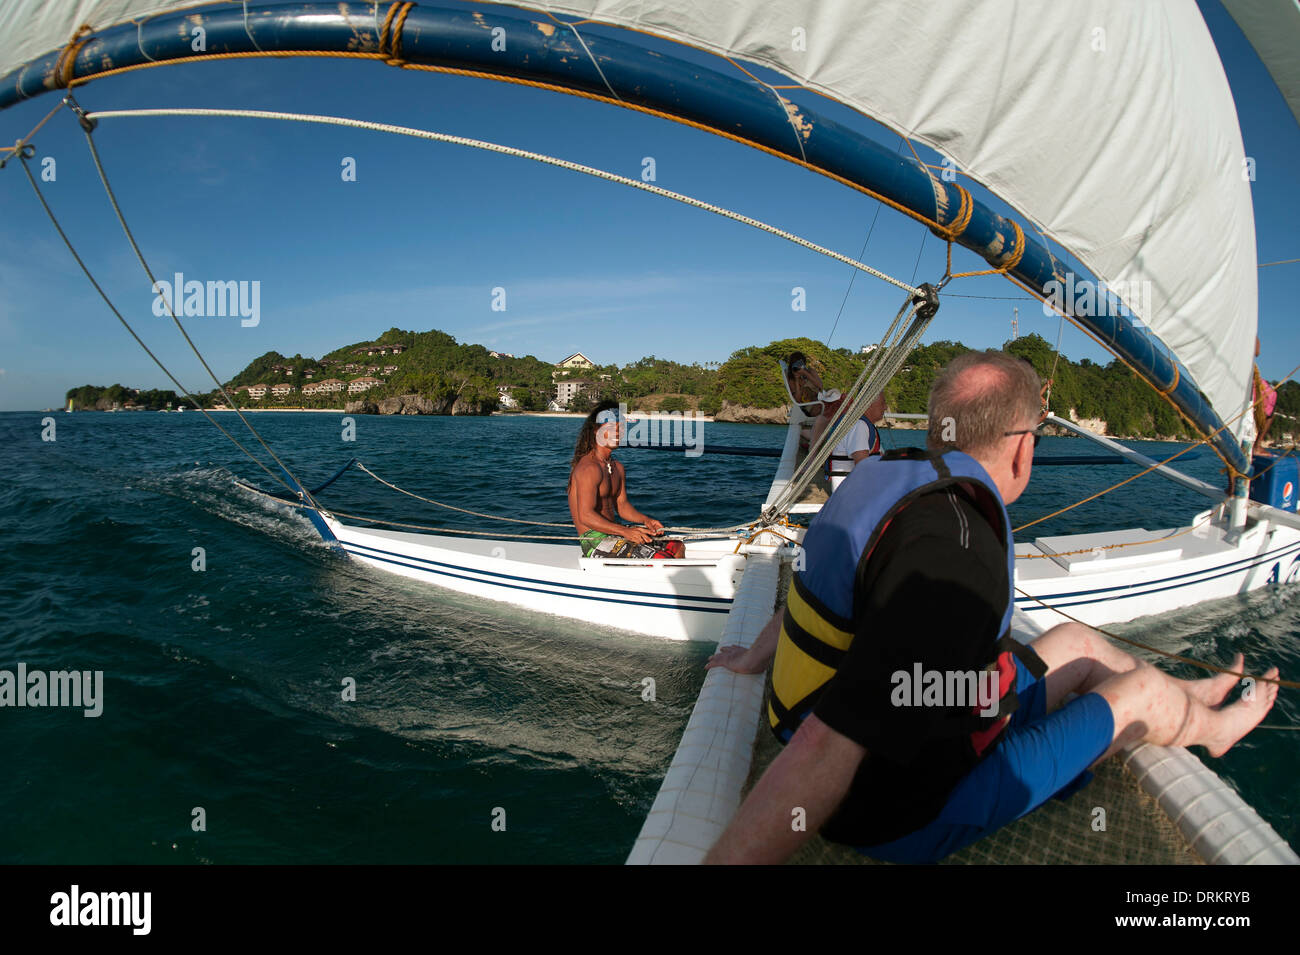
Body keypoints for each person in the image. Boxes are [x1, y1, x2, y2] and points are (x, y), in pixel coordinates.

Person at [704, 350, 1279, 864]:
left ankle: (1190, 699)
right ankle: (1212, 728)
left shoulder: (875, 482)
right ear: (1024, 448)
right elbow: (824, 746)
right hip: (892, 812)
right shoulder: (953, 559)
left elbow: (818, 591)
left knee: (1078, 642)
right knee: (1142, 693)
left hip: (924, 713)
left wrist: (753, 658)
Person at [567, 401, 683, 559]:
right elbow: (585, 515)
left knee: (676, 546)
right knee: (662, 559)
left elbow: (622, 506)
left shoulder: (617, 467)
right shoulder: (589, 468)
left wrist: (646, 520)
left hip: (615, 531)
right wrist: (625, 531)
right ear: (596, 431)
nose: (617, 433)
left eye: (620, 428)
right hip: (594, 540)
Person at [811, 389, 886, 492]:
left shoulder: (858, 423)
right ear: (869, 405)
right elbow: (862, 467)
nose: (885, 407)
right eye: (883, 403)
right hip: (850, 494)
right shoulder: (859, 426)